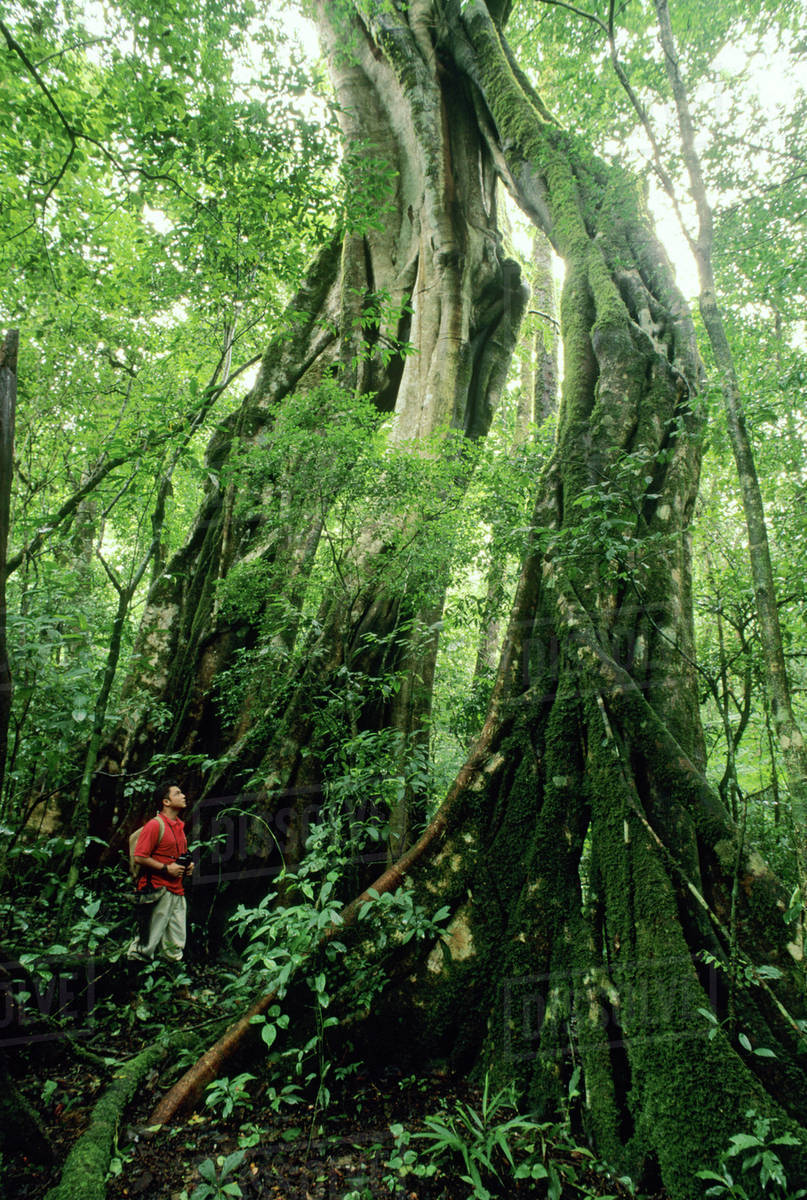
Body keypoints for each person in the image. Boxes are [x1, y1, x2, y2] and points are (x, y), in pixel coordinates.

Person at [127, 780, 194, 963]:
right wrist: (166, 868)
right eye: (178, 793)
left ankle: (173, 985)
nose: (183, 796)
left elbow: (177, 854)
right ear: (166, 802)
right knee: (145, 943)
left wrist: (188, 866)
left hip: (177, 891)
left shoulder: (179, 826)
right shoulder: (155, 825)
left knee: (176, 943)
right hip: (156, 890)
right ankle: (131, 983)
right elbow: (140, 856)